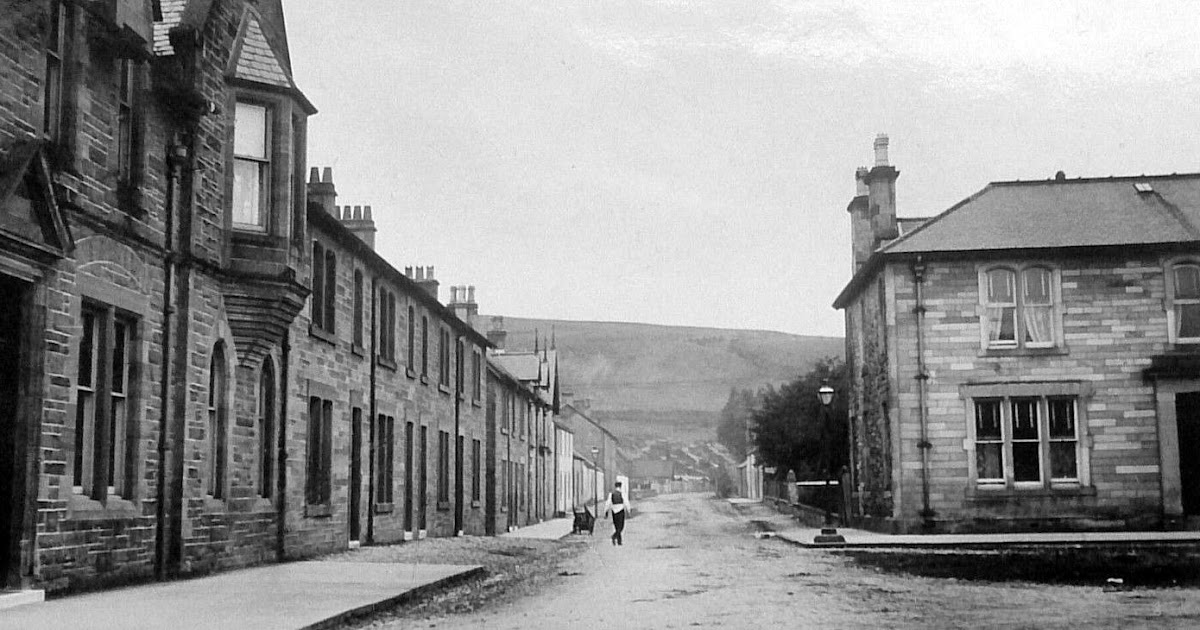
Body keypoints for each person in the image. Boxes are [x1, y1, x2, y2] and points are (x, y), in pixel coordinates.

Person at [604, 481, 630, 545]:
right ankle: (614, 537)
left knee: (616, 526)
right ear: (620, 486)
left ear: (615, 486)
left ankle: (619, 541)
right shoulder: (622, 493)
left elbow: (608, 503)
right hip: (621, 510)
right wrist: (628, 510)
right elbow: (626, 502)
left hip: (614, 511)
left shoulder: (611, 494)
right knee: (621, 526)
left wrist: (606, 511)